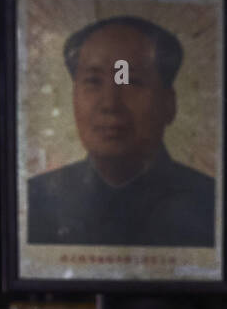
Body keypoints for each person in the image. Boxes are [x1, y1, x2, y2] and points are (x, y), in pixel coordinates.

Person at [27, 16, 215, 248]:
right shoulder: (35, 200)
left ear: (169, 103)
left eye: (131, 81)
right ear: (72, 97)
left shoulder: (211, 203)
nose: (110, 104)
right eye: (93, 81)